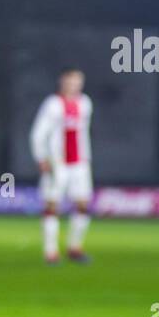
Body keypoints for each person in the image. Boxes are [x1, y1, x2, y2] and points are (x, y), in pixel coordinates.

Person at [30, 67, 94, 264]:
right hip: (58, 163)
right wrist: (41, 158)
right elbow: (38, 133)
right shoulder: (52, 104)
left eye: (77, 81)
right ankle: (51, 252)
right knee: (51, 205)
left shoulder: (85, 103)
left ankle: (74, 247)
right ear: (62, 81)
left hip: (80, 163)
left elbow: (83, 133)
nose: (74, 85)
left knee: (83, 205)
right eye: (70, 81)